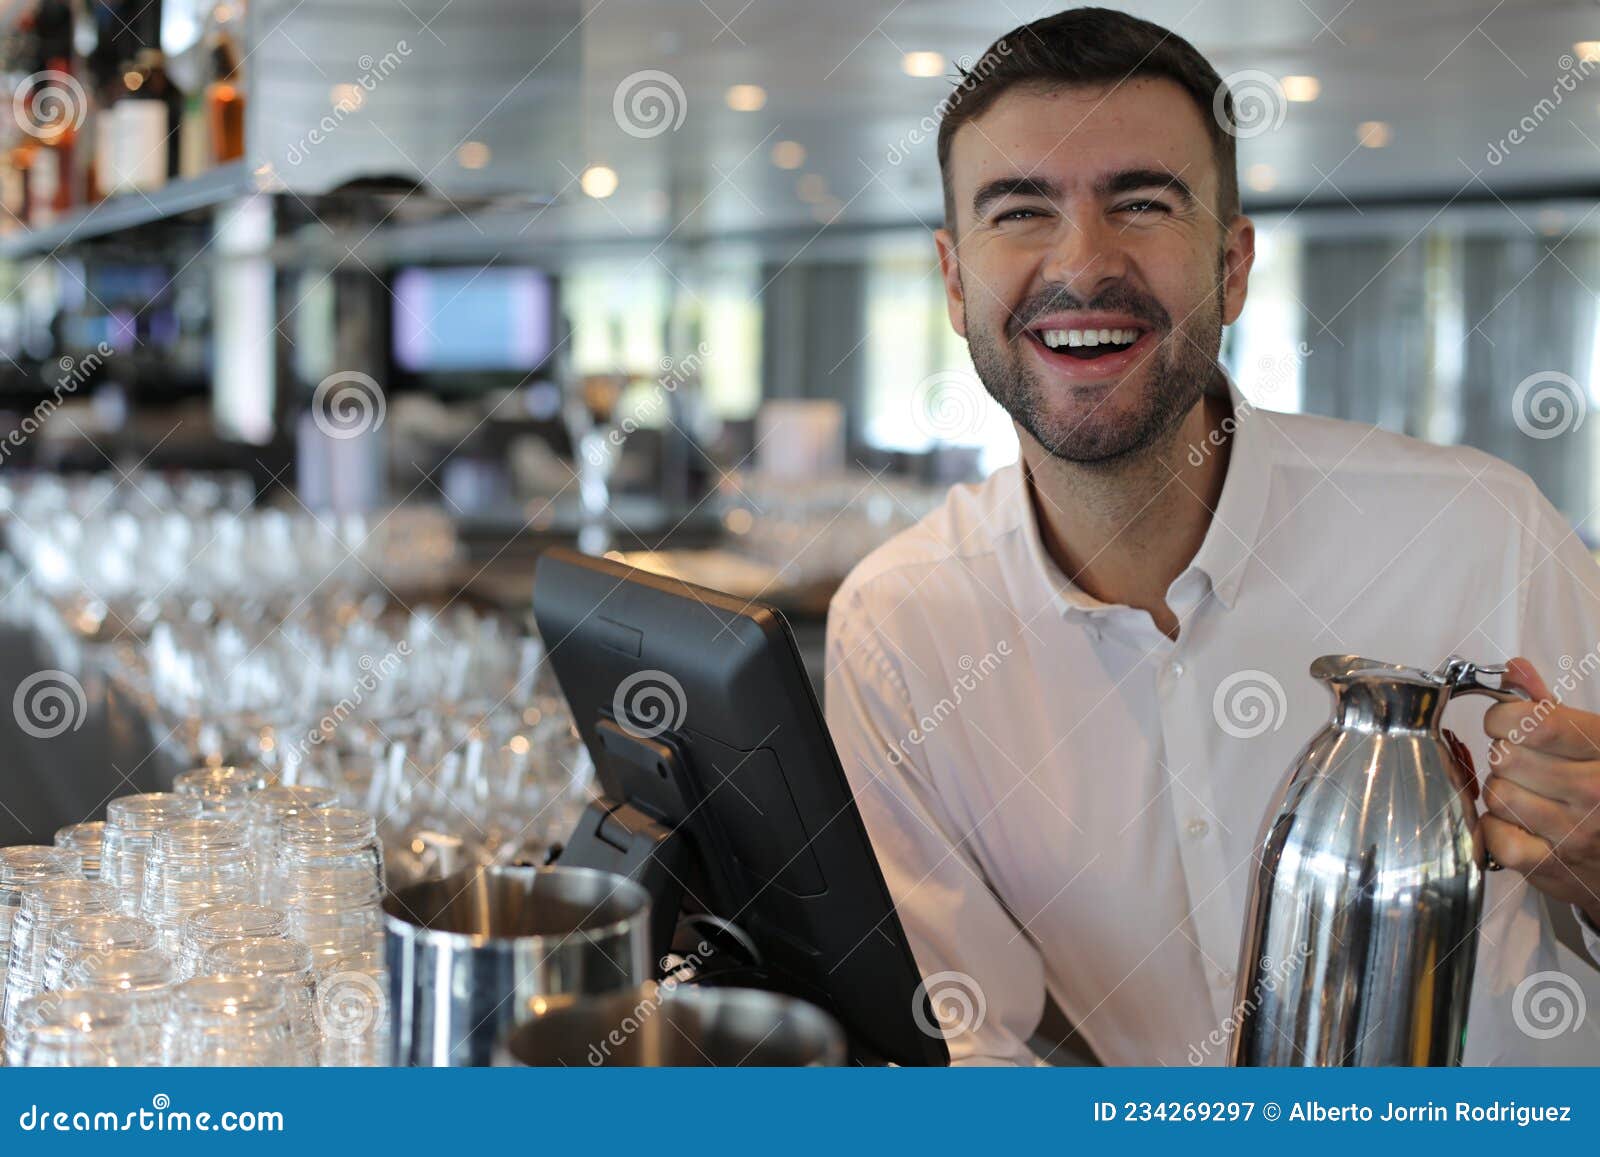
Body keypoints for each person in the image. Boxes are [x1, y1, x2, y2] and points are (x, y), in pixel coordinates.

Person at [824, 6, 1600, 1065]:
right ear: (956, 281)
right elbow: (964, 1045)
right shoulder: (901, 627)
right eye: (1020, 210)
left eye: (1141, 202)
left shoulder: (1482, 532)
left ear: (1232, 266)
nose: (1082, 262)